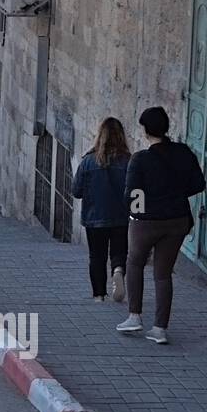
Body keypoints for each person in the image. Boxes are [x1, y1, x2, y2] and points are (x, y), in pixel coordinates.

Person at [116, 106, 206, 345]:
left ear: (145, 131)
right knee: (163, 274)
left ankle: (134, 316)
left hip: (147, 221)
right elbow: (198, 184)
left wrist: (137, 214)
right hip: (177, 220)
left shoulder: (141, 159)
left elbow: (132, 194)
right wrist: (174, 195)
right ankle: (160, 328)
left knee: (134, 262)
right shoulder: (184, 153)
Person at [71, 117, 131, 302]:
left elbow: (76, 191)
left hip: (94, 218)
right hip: (120, 216)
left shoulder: (88, 162)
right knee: (119, 252)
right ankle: (118, 270)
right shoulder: (128, 161)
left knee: (97, 256)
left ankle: (99, 295)